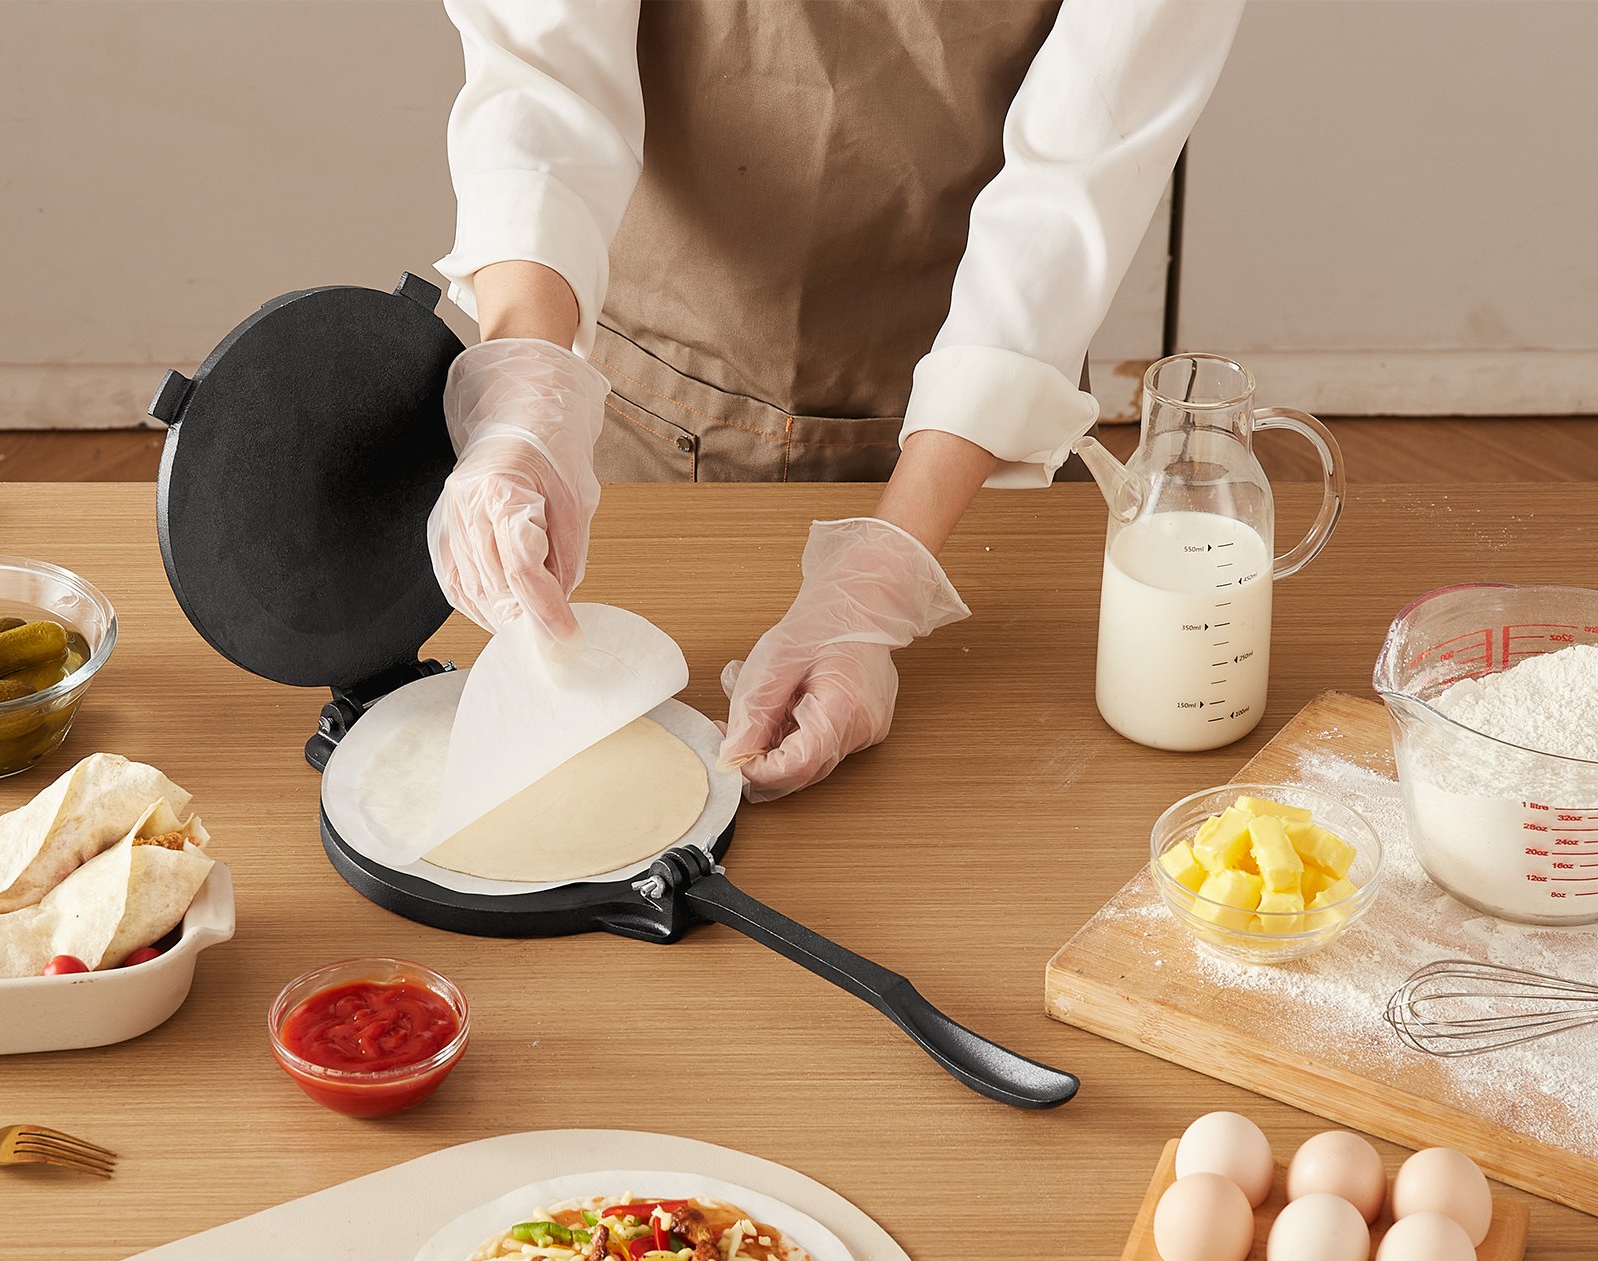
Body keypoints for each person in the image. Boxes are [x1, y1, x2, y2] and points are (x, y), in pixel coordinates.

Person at [427, 0, 1243, 800]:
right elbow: (541, 68)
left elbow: (1082, 172)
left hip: (979, 411)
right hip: (649, 394)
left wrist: (887, 580)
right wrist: (528, 390)